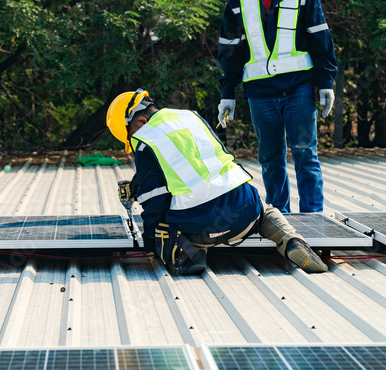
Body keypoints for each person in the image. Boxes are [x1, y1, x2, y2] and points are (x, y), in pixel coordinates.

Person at [106, 88, 328, 276]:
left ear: (141, 121)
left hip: (200, 228)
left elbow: (155, 202)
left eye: (130, 136)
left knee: (167, 228)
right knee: (266, 210)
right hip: (244, 213)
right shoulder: (192, 117)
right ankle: (292, 242)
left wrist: (150, 241)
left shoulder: (144, 142)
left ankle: (191, 255)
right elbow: (193, 161)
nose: (133, 143)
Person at [216, 0, 338, 213]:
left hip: (299, 87)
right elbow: (230, 49)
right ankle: (279, 218)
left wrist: (326, 82)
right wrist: (227, 92)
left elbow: (321, 39)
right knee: (270, 159)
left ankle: (313, 216)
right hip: (260, 92)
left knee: (305, 154)